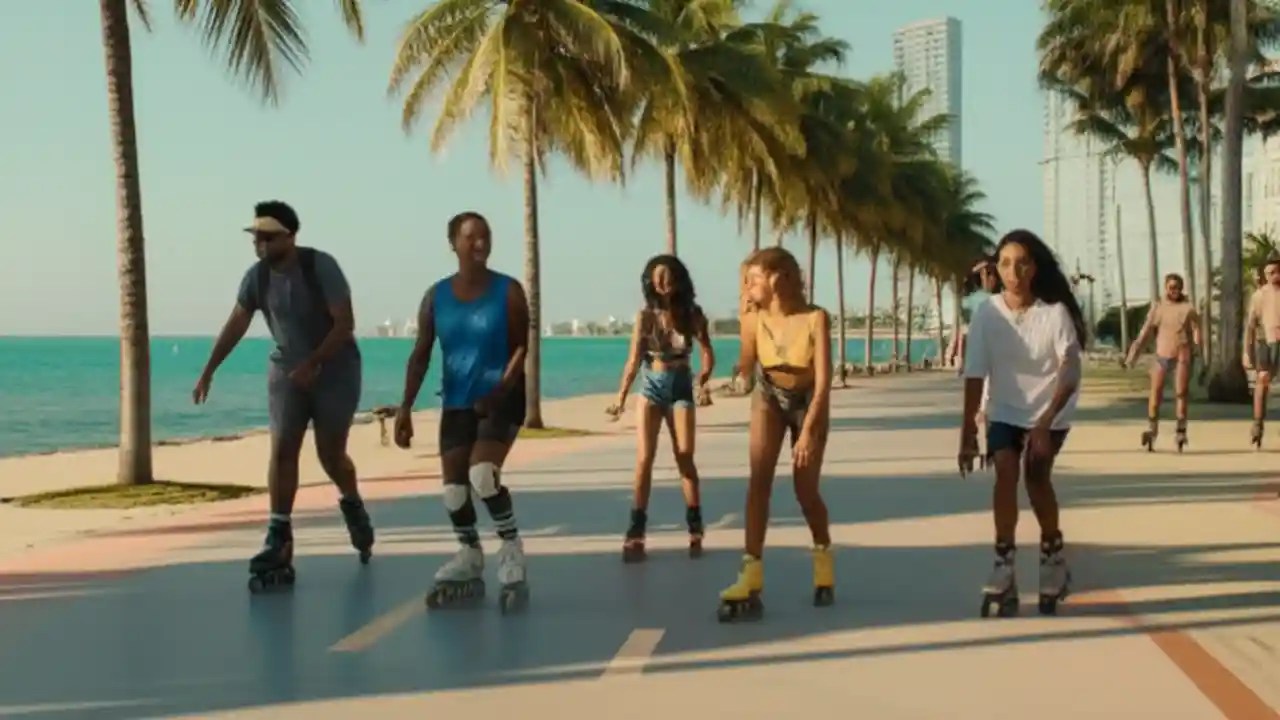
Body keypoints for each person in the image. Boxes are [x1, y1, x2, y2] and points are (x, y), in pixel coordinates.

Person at [194, 200, 374, 592]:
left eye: (268, 237)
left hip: (336, 369)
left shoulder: (319, 266)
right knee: (282, 449)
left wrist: (315, 362)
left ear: (291, 237)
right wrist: (210, 369)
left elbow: (345, 323)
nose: (259, 243)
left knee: (330, 453)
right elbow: (237, 323)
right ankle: (278, 533)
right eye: (255, 237)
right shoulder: (256, 278)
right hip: (286, 371)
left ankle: (352, 501)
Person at [394, 211, 531, 613]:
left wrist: (500, 391)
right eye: (471, 237)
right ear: (452, 243)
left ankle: (511, 548)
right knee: (454, 493)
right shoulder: (435, 297)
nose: (480, 244)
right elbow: (420, 354)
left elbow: (521, 348)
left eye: (486, 236)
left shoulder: (509, 291)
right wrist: (404, 408)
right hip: (456, 400)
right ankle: (470, 554)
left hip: (501, 399)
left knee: (482, 476)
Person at [958, 229, 1085, 618]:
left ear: (1034, 269)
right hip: (1004, 412)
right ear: (996, 269)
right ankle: (1004, 563)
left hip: (1051, 411)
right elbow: (975, 372)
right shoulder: (987, 313)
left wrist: (1046, 421)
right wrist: (967, 432)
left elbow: (1070, 369)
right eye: (1006, 263)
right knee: (1005, 473)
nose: (1014, 271)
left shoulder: (1055, 313)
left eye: (1022, 263)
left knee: (1035, 476)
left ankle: (1052, 557)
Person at [717, 247, 834, 623]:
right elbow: (748, 362)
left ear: (780, 277)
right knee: (758, 482)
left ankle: (823, 557)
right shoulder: (753, 318)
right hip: (769, 394)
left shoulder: (816, 319)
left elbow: (824, 383)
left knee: (805, 490)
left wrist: (808, 432)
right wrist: (736, 370)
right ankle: (750, 574)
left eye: (754, 279)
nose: (748, 287)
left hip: (807, 402)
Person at [606, 254, 715, 562]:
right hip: (652, 386)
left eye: (668, 277)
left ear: (678, 280)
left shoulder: (692, 315)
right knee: (644, 458)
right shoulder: (645, 317)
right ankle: (635, 532)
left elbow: (707, 352)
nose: (663, 283)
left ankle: (695, 527)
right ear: (650, 283)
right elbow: (632, 360)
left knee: (685, 456)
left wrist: (703, 378)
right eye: (657, 278)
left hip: (681, 385)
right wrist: (621, 397)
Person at [1123, 273, 1203, 452]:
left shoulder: (1188, 308)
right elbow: (1144, 334)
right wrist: (1132, 357)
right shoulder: (1158, 308)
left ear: (1181, 288)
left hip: (1182, 355)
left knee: (1181, 392)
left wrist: (1198, 349)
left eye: (1177, 287)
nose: (1174, 291)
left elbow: (1197, 329)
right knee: (1155, 393)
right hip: (1162, 355)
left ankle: (1181, 429)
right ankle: (1152, 428)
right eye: (1171, 287)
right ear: (1166, 288)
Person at [1244, 256, 1280, 448]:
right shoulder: (1259, 296)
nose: (1275, 276)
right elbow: (1250, 326)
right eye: (1270, 272)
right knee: (1262, 380)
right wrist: (1246, 351)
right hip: (1265, 341)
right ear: (1264, 275)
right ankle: (1258, 425)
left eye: (1277, 272)